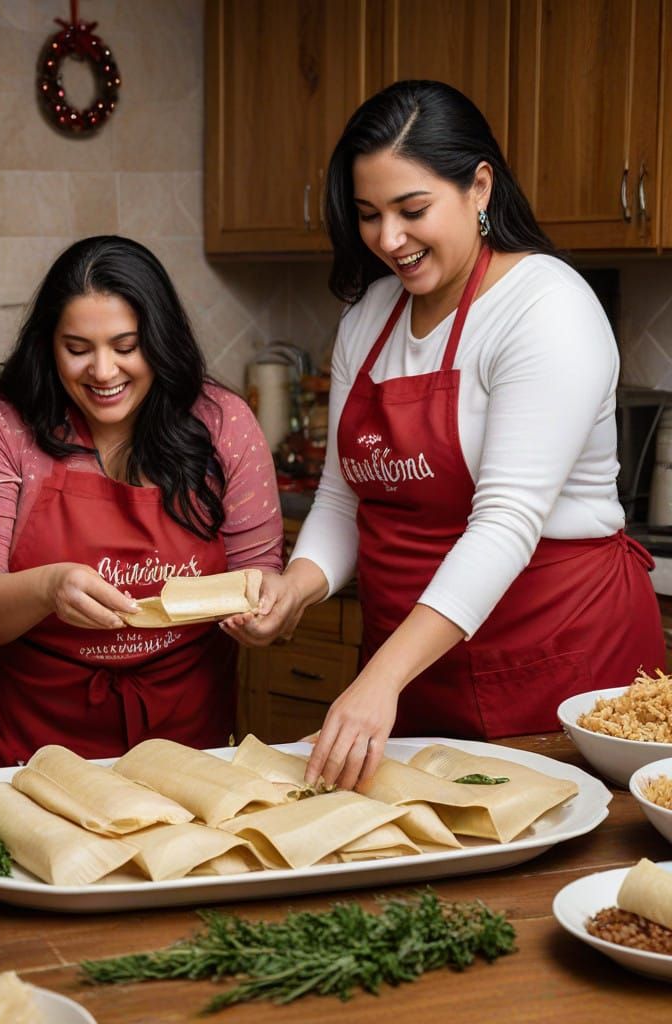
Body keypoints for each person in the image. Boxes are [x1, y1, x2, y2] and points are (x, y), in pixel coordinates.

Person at [224, 80, 664, 791]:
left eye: (412, 209)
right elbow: (342, 501)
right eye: (369, 215)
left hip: (555, 660)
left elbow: (505, 524)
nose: (388, 239)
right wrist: (295, 590)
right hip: (419, 671)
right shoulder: (370, 315)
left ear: (480, 187)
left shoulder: (545, 308)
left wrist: (379, 677)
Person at [0, 235, 283, 770]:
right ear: (48, 344)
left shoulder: (223, 422)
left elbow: (260, 575)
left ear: (161, 341)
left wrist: (267, 614)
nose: (102, 372)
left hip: (184, 741)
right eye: (77, 349)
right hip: (20, 743)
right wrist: (49, 588)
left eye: (126, 347)